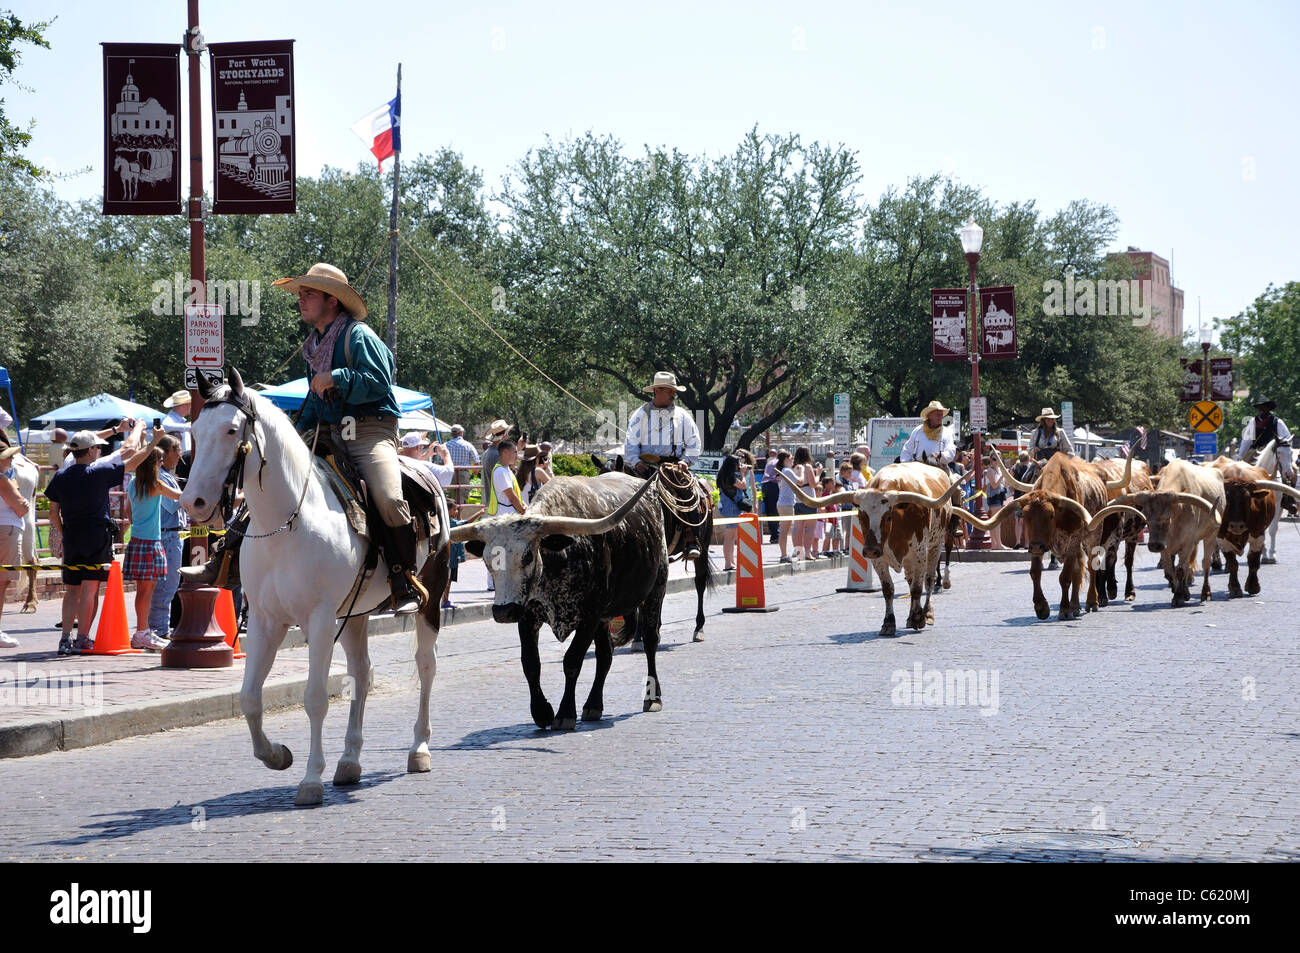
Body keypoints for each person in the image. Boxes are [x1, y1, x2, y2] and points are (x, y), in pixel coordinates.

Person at [182, 262, 426, 613]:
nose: (301, 299)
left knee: (387, 497)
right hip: (327, 431)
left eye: (309, 293)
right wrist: (294, 435)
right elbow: (315, 400)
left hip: (369, 433)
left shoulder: (359, 335)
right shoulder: (316, 343)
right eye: (300, 293)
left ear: (332, 300)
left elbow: (380, 384)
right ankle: (224, 561)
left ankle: (405, 580)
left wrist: (337, 377)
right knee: (270, 481)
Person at [44, 420, 152, 655]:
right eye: (97, 448)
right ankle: (82, 638)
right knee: (90, 589)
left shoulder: (61, 476)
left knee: (71, 590)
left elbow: (53, 511)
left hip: (72, 535)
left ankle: (65, 638)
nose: (100, 451)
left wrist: (64, 533)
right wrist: (153, 442)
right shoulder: (99, 472)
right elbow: (133, 461)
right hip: (96, 536)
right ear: (90, 450)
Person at [622, 370, 707, 560]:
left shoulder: (682, 416)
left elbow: (694, 443)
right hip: (643, 467)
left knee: (689, 494)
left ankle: (691, 539)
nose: (673, 394)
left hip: (673, 467)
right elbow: (630, 444)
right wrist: (636, 462)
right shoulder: (640, 415)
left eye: (673, 391)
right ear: (657, 390)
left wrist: (685, 461)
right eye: (670, 390)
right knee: (622, 495)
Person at [122, 442, 182, 651]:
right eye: (159, 461)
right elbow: (179, 497)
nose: (162, 464)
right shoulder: (155, 484)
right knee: (148, 592)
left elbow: (128, 511)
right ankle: (142, 632)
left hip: (137, 540)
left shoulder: (134, 483)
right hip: (151, 542)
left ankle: (143, 631)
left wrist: (138, 524)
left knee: (142, 592)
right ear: (154, 463)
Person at [148, 434, 187, 640]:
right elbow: (172, 505)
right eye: (178, 451)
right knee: (166, 587)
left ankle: (157, 629)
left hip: (171, 535)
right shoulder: (161, 476)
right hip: (168, 536)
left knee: (166, 586)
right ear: (168, 452)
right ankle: (159, 630)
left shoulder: (165, 475)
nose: (180, 456)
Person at [0, 438, 31, 648]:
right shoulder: (3, 479)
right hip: (7, 530)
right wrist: (23, 503)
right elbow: (21, 507)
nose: (12, 459)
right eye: (9, 456)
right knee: (2, 583)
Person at [1237, 396, 1294, 482]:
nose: (1261, 409)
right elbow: (1246, 440)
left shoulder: (1277, 422)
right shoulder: (1253, 422)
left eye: (1263, 407)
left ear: (1268, 408)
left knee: (1292, 471)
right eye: (1259, 407)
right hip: (1255, 452)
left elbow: (1287, 439)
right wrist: (1240, 456)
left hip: (1274, 452)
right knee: (1240, 474)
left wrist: (1288, 455)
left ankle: (1289, 492)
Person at [716, 450, 754, 572]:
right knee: (730, 536)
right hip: (731, 508)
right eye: (738, 463)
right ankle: (728, 563)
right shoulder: (730, 476)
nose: (739, 466)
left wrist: (744, 472)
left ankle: (731, 561)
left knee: (732, 537)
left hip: (729, 507)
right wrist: (743, 474)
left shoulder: (725, 474)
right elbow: (743, 486)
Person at [900, 400, 957, 467]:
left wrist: (940, 456)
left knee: (953, 478)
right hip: (918, 467)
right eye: (937, 414)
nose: (940, 417)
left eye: (941, 415)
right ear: (929, 415)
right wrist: (907, 465)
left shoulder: (946, 432)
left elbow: (951, 450)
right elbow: (907, 450)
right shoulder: (918, 431)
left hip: (940, 467)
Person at [791, 447, 821, 560]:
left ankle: (799, 553)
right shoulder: (807, 467)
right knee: (810, 528)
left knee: (798, 528)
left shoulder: (794, 467)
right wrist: (818, 474)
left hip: (797, 499)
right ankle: (808, 552)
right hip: (809, 498)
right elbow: (814, 484)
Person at [486, 439, 526, 517]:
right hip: (503, 515)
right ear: (505, 452)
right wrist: (522, 510)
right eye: (515, 452)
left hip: (506, 514)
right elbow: (511, 497)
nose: (517, 455)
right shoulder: (501, 471)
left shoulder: (505, 469)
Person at [445, 423, 480, 506]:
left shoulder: (446, 445)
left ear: (452, 434)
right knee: (462, 496)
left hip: (450, 473)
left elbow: (440, 461)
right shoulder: (468, 445)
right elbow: (476, 461)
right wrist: (475, 473)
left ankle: (452, 516)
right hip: (463, 474)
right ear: (461, 433)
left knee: (451, 497)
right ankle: (460, 515)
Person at [774, 450, 797, 563]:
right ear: (786, 459)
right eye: (791, 458)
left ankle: (784, 554)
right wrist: (801, 471)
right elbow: (800, 482)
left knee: (785, 529)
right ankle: (783, 555)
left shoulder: (784, 470)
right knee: (784, 530)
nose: (793, 460)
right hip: (786, 503)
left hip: (784, 503)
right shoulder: (787, 470)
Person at [1011, 450, 1035, 549]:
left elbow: (1011, 483)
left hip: (1018, 497)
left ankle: (1017, 541)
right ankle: (1027, 543)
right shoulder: (1031, 467)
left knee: (1018, 520)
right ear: (1028, 458)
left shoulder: (1014, 467)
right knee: (1027, 521)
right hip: (1029, 497)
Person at [984, 452, 1007, 551]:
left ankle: (995, 544)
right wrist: (1003, 476)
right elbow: (994, 485)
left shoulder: (999, 470)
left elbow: (1003, 485)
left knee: (997, 521)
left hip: (1000, 495)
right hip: (993, 496)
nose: (995, 461)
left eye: (997, 458)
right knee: (996, 521)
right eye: (993, 459)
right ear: (990, 460)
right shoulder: (990, 470)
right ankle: (998, 544)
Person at [161, 389, 193, 456]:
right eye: (190, 404)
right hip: (178, 462)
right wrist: (188, 427)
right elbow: (165, 426)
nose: (191, 407)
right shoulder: (170, 419)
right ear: (183, 406)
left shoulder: (178, 420)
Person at [760, 451, 781, 543]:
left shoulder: (769, 462)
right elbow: (779, 477)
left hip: (766, 486)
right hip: (773, 486)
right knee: (775, 512)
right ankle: (776, 535)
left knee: (770, 512)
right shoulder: (779, 463)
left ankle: (774, 535)